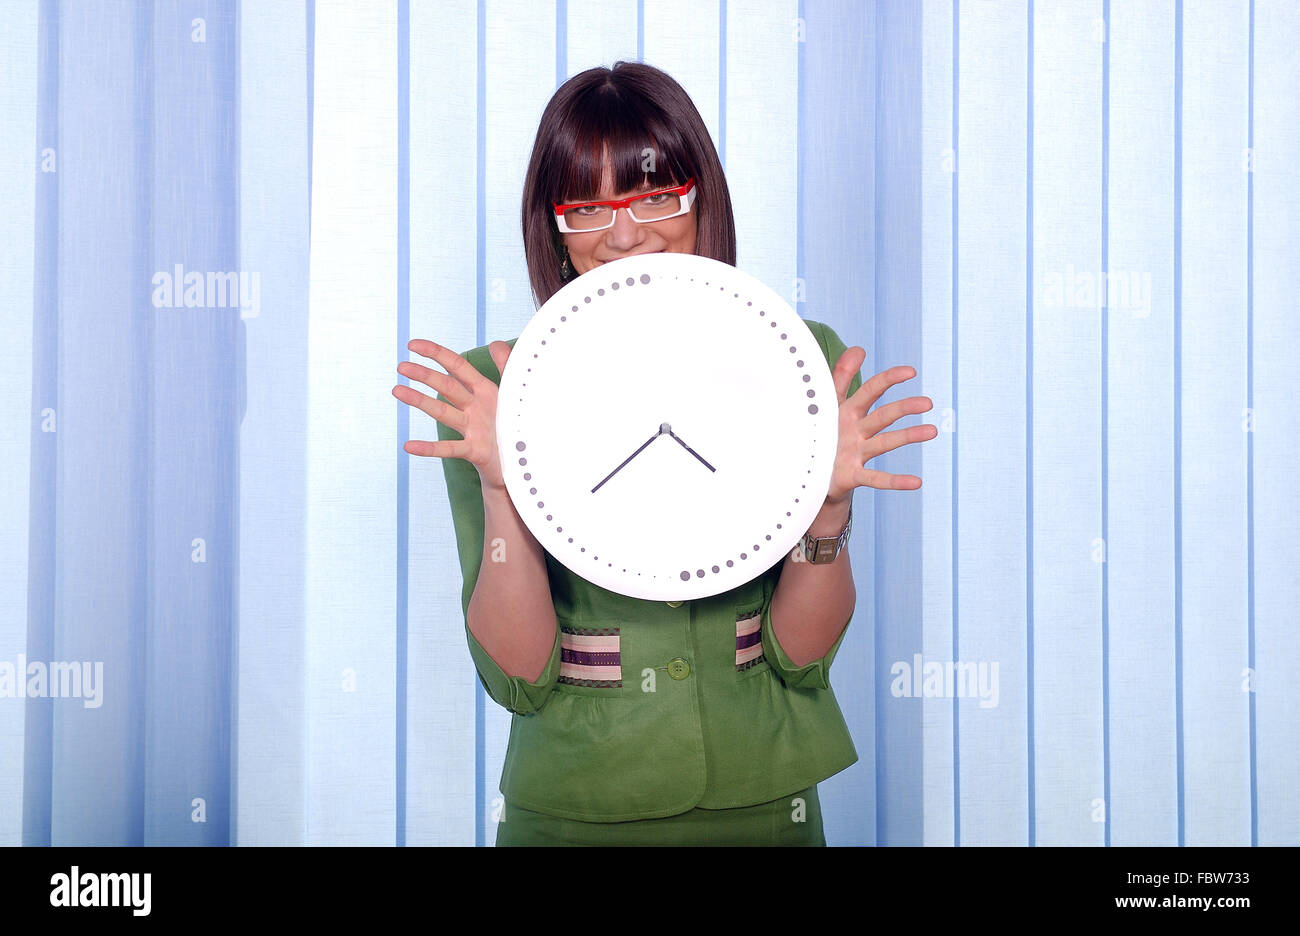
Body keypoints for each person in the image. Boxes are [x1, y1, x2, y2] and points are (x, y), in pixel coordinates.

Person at [392, 62, 936, 845]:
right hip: (576, 806)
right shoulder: (495, 388)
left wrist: (829, 506)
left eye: (655, 196)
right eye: (586, 208)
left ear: (702, 198)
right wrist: (504, 485)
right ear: (553, 228)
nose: (625, 235)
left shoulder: (799, 360)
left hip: (765, 801)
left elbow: (803, 658)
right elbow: (518, 676)